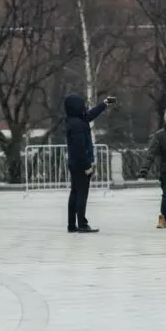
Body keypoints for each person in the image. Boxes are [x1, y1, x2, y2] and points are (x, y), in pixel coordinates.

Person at [64, 94, 114, 233]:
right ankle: (82, 224)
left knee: (75, 192)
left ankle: (71, 224)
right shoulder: (78, 125)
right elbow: (80, 148)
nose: (84, 107)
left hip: (74, 163)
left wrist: (104, 104)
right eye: (82, 105)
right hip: (80, 164)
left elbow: (90, 115)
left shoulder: (74, 120)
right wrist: (87, 166)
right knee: (81, 193)